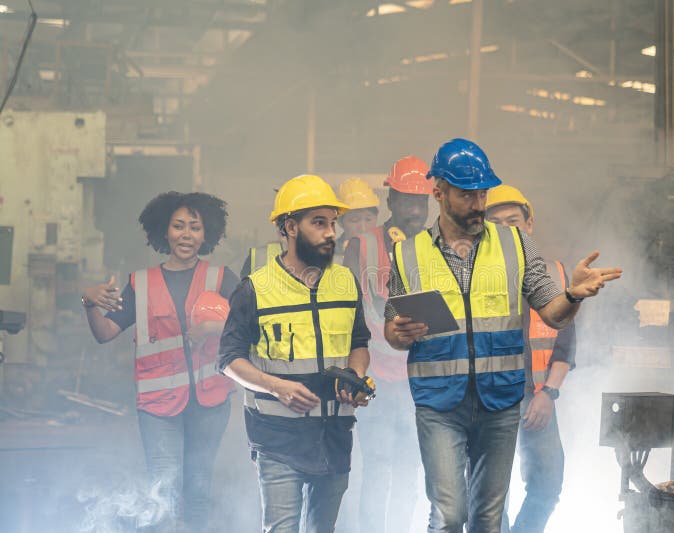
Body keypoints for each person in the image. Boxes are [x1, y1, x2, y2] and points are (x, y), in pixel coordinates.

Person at [384, 138, 622, 533]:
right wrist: (397, 332)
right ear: (439, 193)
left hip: (500, 403)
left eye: (482, 193)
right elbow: (395, 328)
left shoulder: (515, 246)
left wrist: (572, 296)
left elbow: (553, 313)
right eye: (467, 195)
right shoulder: (408, 254)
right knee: (448, 515)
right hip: (439, 404)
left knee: (487, 520)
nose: (478, 204)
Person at [217, 174, 373, 533]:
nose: (331, 232)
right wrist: (276, 387)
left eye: (333, 223)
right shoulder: (256, 288)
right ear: (290, 226)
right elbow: (228, 359)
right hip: (277, 437)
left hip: (334, 434)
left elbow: (358, 342)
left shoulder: (345, 282)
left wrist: (356, 376)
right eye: (319, 223)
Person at [81, 191, 238, 532]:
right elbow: (105, 332)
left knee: (197, 491)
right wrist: (90, 303)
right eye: (178, 226)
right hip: (157, 406)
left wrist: (214, 325)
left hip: (209, 402)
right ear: (164, 232)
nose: (186, 234)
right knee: (163, 493)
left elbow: (251, 325)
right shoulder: (141, 283)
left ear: (206, 232)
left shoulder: (222, 278)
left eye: (194, 227)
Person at [342, 156, 432, 533]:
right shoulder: (360, 247)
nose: (414, 210)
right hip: (377, 380)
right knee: (377, 468)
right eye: (405, 200)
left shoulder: (435, 247)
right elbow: (346, 314)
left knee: (410, 470)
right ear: (390, 201)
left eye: (421, 202)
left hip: (420, 384)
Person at [486, 185, 576, 533]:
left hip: (537, 400)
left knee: (548, 483)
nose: (507, 229)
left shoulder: (554, 274)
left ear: (530, 223)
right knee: (492, 494)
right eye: (496, 222)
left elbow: (566, 345)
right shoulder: (474, 280)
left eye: (513, 221)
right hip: (490, 402)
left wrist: (548, 393)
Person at [336, 177, 381, 260]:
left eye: (368, 220)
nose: (363, 228)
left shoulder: (387, 250)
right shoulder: (329, 255)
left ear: (376, 218)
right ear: (340, 222)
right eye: (355, 220)